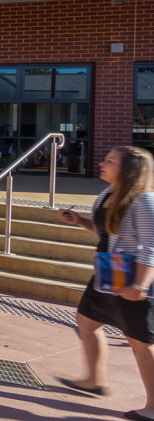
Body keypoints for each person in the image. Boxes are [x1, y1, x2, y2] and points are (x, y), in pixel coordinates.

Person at [58, 145, 154, 420]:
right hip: (108, 273)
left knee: (139, 340)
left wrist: (140, 286)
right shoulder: (108, 194)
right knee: (87, 321)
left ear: (129, 169)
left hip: (132, 278)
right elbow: (106, 232)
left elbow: (150, 246)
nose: (102, 163)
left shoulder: (145, 200)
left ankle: (153, 407)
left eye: (110, 160)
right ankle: (93, 380)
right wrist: (80, 221)